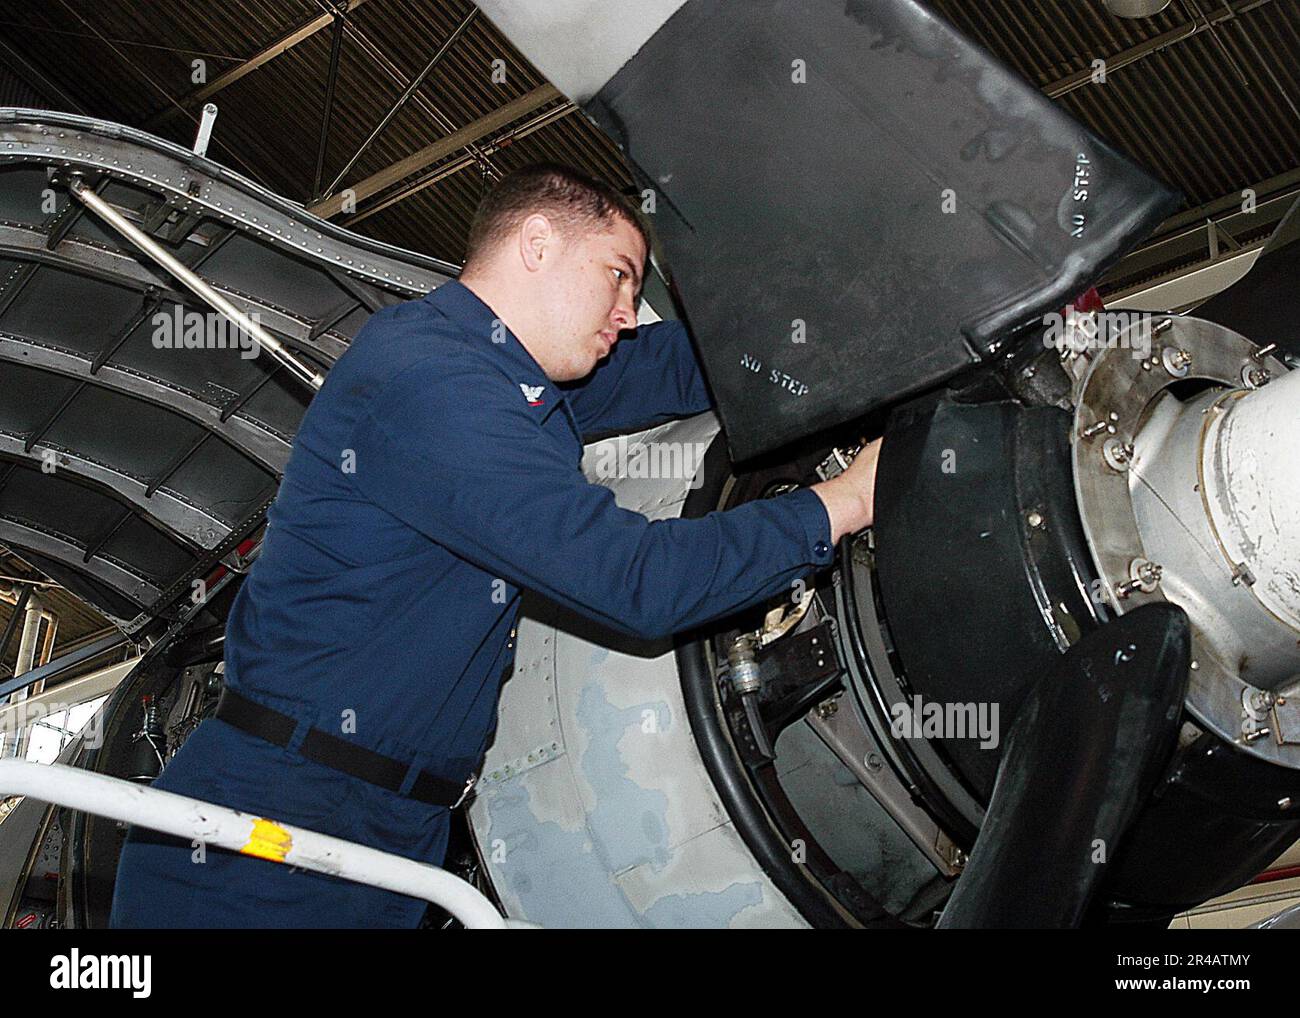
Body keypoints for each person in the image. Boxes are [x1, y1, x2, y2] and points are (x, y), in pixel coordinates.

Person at [109, 163, 880, 928]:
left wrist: (841, 326)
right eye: (616, 276)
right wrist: (843, 504)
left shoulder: (510, 376)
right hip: (272, 832)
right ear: (537, 243)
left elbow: (676, 367)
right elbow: (635, 581)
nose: (624, 311)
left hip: (398, 830)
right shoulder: (430, 382)